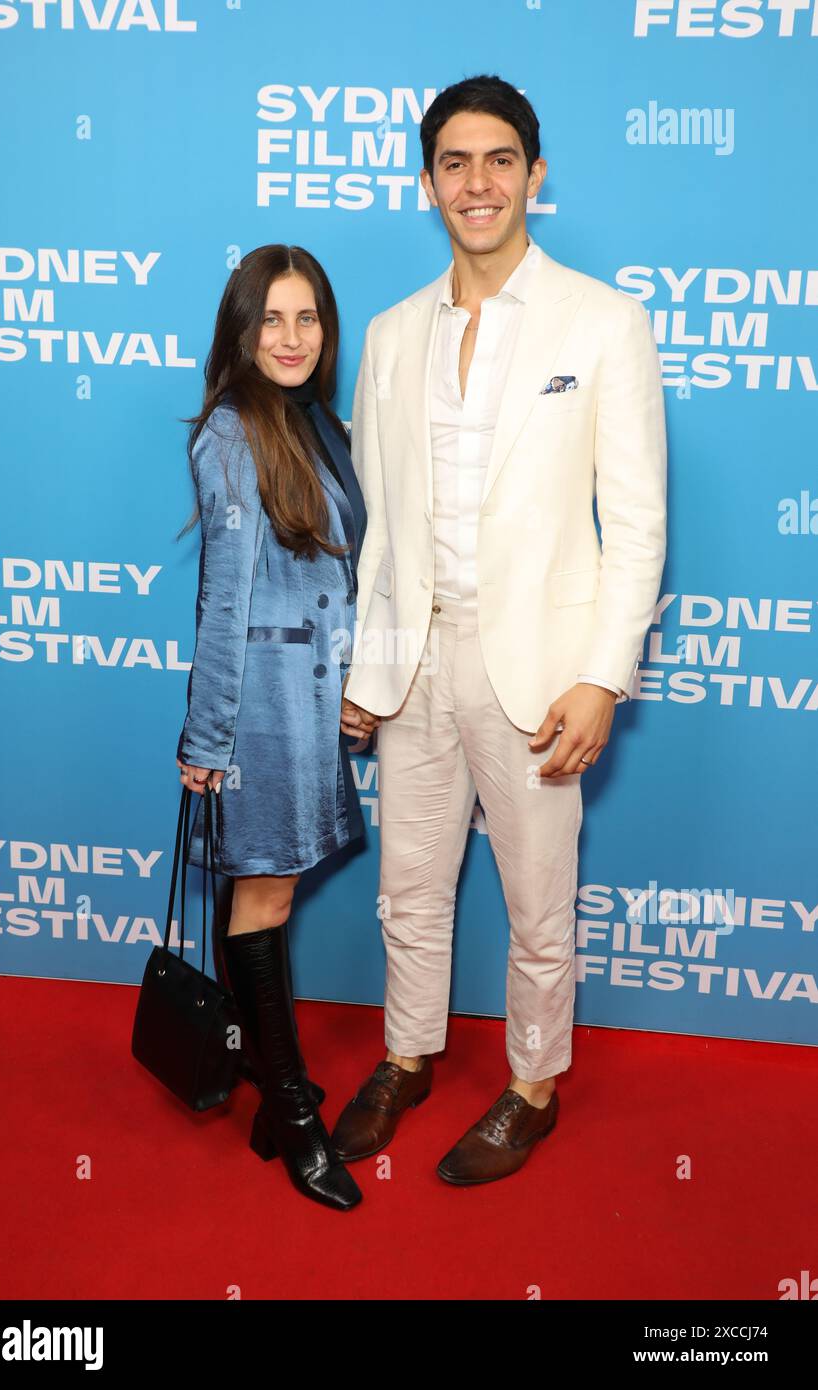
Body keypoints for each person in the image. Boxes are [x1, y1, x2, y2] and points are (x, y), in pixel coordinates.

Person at [336, 75, 667, 1185]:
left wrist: (601, 676)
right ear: (425, 184)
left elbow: (635, 522)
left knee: (538, 901)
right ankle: (404, 1056)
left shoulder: (602, 320)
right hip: (413, 660)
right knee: (409, 886)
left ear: (533, 173)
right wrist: (366, 663)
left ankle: (530, 1086)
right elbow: (381, 521)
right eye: (451, 164)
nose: (474, 184)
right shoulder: (388, 335)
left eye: (496, 161)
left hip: (535, 668)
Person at [175, 244, 367, 1212]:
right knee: (265, 899)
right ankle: (294, 1115)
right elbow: (223, 601)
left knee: (261, 892)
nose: (290, 339)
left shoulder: (316, 424)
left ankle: (265, 1090)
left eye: (307, 319)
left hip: (308, 703)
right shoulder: (231, 434)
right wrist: (208, 741)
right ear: (240, 332)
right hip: (257, 715)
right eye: (270, 321)